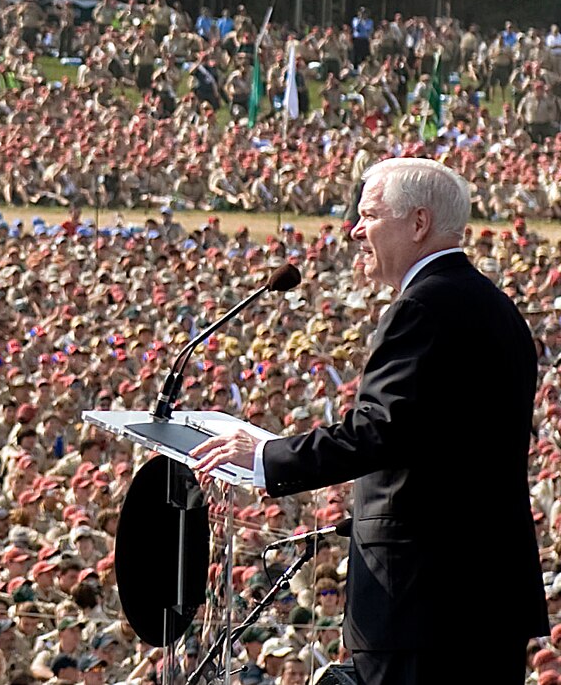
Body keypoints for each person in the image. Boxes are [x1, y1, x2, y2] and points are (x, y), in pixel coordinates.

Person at [191, 158, 548, 684]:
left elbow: (380, 430)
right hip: (485, 598)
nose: (356, 231)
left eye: (369, 215)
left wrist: (265, 456)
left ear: (419, 223)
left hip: (422, 605)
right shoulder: (496, 305)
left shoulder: (423, 306)